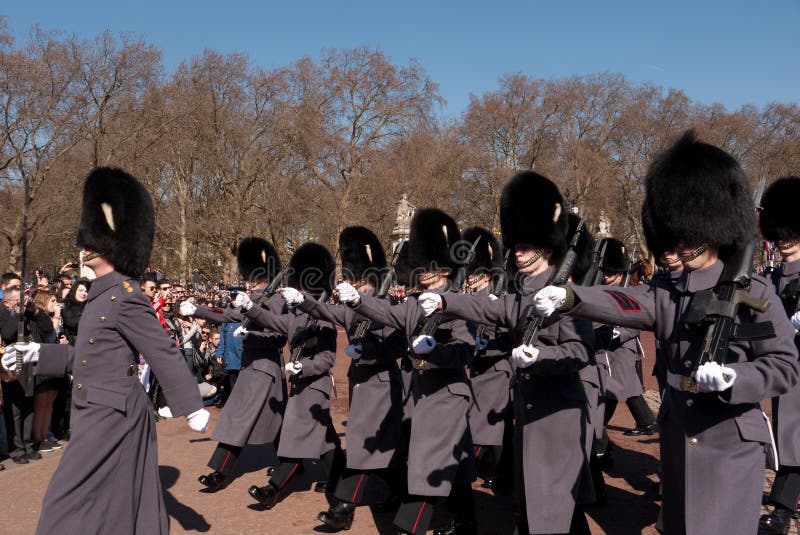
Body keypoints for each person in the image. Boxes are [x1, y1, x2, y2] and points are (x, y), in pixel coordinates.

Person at [533, 131, 800, 535]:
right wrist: (571, 296)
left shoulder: (755, 292)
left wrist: (736, 377)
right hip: (678, 436)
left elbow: (783, 365)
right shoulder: (668, 292)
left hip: (728, 439)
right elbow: (624, 302)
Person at [1, 167, 209, 535]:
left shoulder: (125, 296)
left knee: (63, 505)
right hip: (95, 410)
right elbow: (85, 357)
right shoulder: (100, 293)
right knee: (113, 507)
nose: (83, 244)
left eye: (92, 236)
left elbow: (161, 351)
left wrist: (191, 404)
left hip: (114, 413)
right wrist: (36, 353)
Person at [417, 178, 596, 535]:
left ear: (545, 248)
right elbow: (484, 308)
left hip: (558, 411)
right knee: (540, 504)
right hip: (528, 409)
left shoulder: (566, 293)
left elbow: (581, 351)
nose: (516, 253)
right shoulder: (519, 294)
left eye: (525, 247)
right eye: (515, 246)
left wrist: (539, 356)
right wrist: (445, 300)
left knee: (553, 502)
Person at [336, 208, 478, 535]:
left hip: (449, 396)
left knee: (427, 462)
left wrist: (436, 351)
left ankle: (407, 527)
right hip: (423, 395)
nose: (422, 271)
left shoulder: (458, 303)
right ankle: (465, 520)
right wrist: (357, 301)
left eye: (428, 265)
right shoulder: (415, 303)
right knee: (450, 460)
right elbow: (386, 313)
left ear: (444, 268)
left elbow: (465, 351)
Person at [281, 226, 407, 530]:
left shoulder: (389, 306)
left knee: (362, 447)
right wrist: (302, 300)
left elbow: (397, 346)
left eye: (356, 277)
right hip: (361, 385)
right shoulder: (350, 306)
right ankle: (394, 491)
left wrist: (368, 351)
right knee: (380, 446)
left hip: (381, 385)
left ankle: (344, 508)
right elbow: (325, 312)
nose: (352, 282)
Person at [239, 242, 345, 510]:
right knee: (325, 438)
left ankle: (273, 489)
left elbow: (327, 358)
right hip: (299, 386)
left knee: (295, 435)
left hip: (316, 385)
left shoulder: (324, 320)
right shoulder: (293, 317)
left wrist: (304, 367)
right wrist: (249, 308)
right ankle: (339, 476)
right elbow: (270, 321)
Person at [184, 237, 288, 492]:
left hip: (265, 368)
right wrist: (197, 309)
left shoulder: (276, 300)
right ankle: (290, 462)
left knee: (238, 419)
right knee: (276, 422)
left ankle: (221, 472)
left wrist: (250, 336)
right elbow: (228, 314)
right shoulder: (253, 296)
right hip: (251, 368)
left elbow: (280, 336)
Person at [758, 176, 800, 534]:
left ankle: (783, 508)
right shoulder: (771, 276)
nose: (784, 240)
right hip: (785, 366)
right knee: (788, 432)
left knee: (794, 433)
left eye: (791, 233)